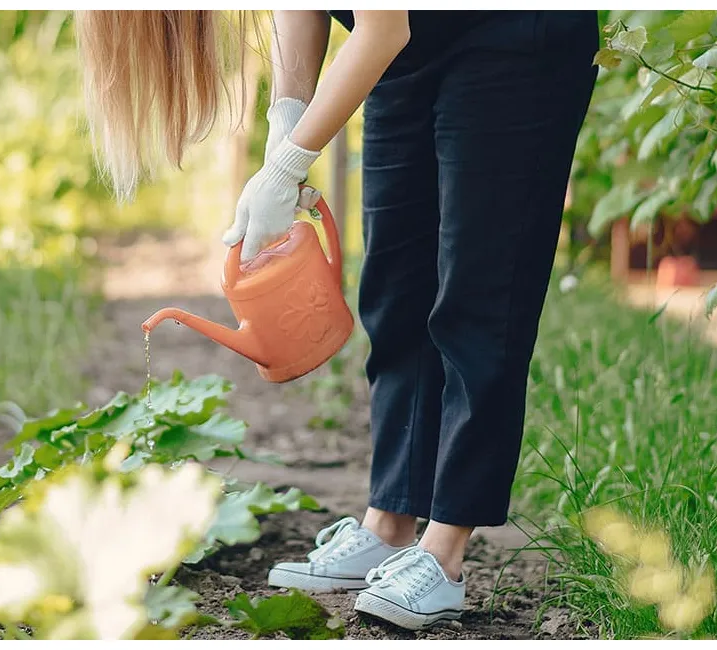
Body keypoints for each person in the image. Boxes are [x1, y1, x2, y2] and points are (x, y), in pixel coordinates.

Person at [75, 10, 598, 631]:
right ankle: (392, 518)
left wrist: (288, 166)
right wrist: (286, 122)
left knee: (480, 298)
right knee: (395, 291)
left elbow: (382, 28)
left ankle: (446, 550)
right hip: (410, 46)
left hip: (513, 37)